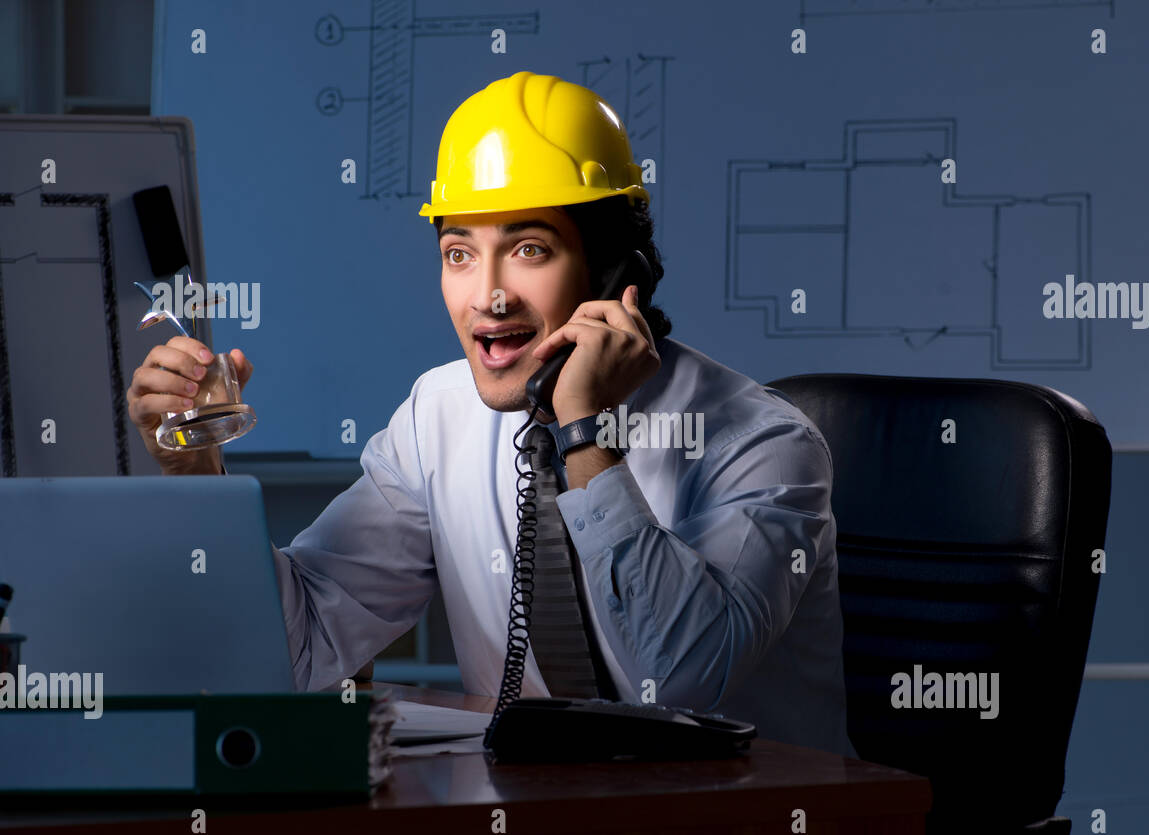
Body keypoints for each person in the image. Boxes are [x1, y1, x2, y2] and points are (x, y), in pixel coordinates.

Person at [126, 71, 855, 757]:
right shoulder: (435, 417)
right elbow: (305, 651)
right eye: (458, 253)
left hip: (752, 832)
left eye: (529, 249)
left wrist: (585, 431)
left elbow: (683, 679)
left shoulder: (764, 441)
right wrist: (200, 475)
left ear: (612, 271)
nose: (488, 295)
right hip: (536, 829)